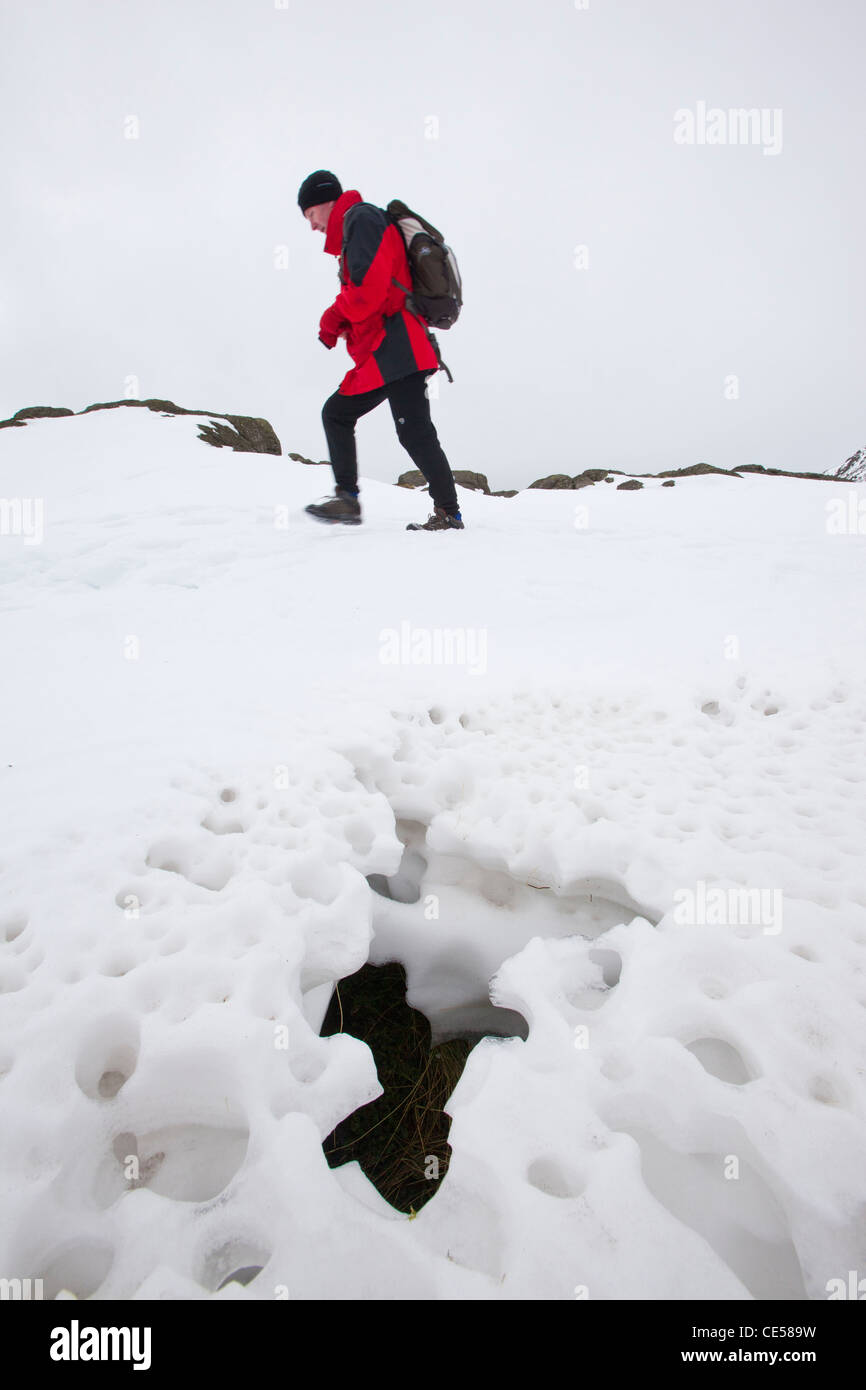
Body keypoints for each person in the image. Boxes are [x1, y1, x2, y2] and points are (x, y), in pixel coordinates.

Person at [297, 170, 464, 531]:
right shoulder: (360, 226)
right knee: (367, 420)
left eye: (310, 215)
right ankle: (353, 500)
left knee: (401, 429)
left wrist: (331, 320)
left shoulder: (361, 219)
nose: (312, 226)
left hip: (397, 347)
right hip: (390, 348)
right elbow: (372, 292)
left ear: (326, 202)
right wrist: (342, 323)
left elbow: (368, 294)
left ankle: (442, 513)